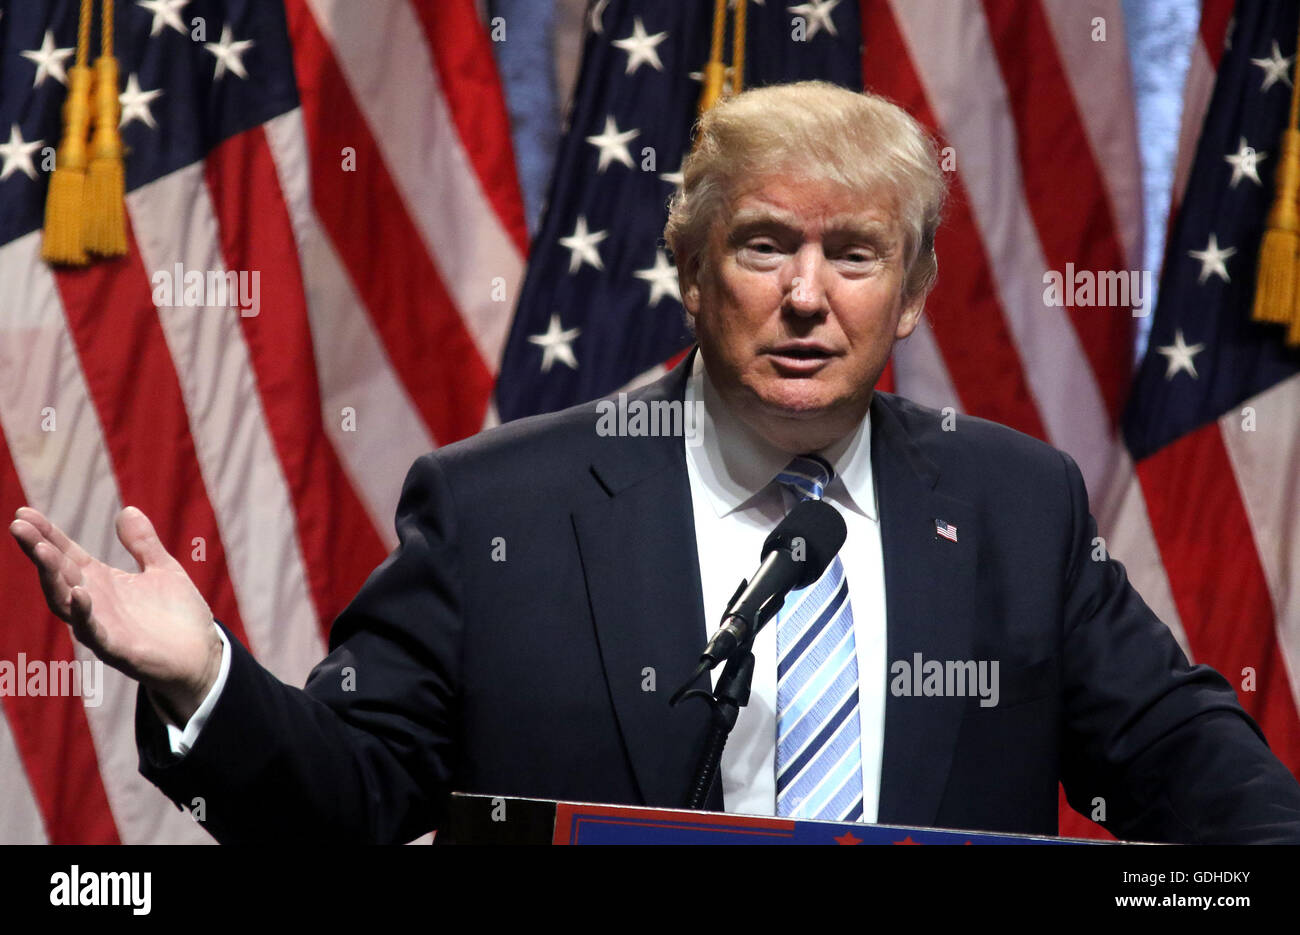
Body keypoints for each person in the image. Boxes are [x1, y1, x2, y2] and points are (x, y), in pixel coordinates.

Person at [11, 81, 1300, 844]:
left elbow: (1186, 759)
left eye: (854, 255)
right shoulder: (495, 507)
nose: (807, 296)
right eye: (760, 247)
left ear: (911, 296)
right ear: (687, 275)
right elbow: (345, 800)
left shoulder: (1016, 503)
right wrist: (207, 679)